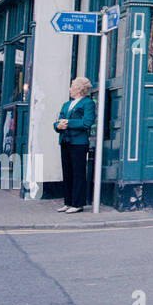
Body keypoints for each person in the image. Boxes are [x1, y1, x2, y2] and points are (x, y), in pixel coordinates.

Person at [54, 77, 96, 214]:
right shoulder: (66, 104)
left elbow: (87, 122)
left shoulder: (88, 103)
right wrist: (58, 126)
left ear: (79, 89)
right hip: (65, 141)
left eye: (72, 86)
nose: (70, 89)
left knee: (78, 173)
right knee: (67, 172)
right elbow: (58, 120)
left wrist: (67, 123)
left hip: (79, 143)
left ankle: (78, 204)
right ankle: (68, 202)